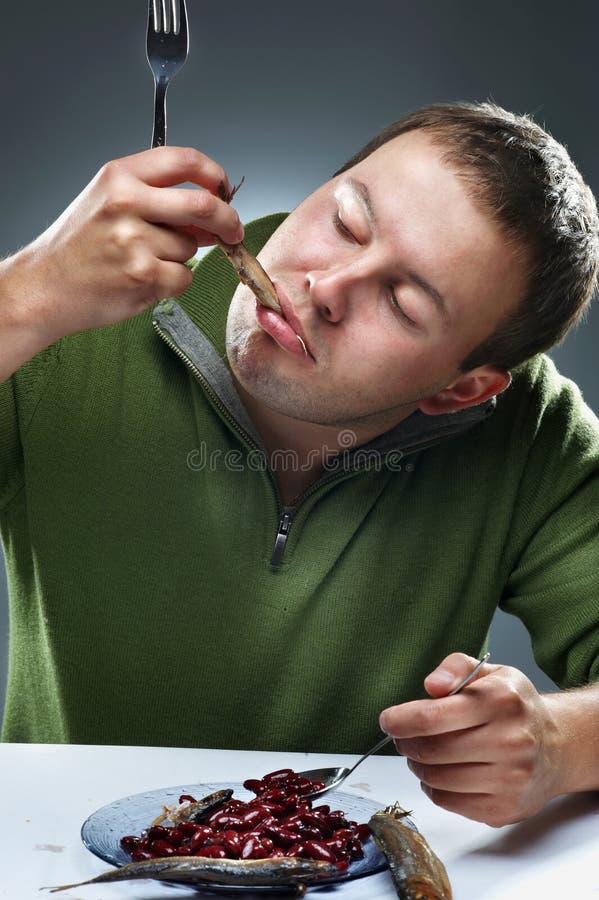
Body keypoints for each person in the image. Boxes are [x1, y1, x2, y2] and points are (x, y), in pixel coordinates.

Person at [0, 101, 598, 828]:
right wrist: (24, 294)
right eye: (344, 223)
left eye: (403, 303)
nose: (327, 286)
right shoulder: (69, 311)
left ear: (461, 388)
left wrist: (559, 743)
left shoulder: (529, 432)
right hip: (46, 853)